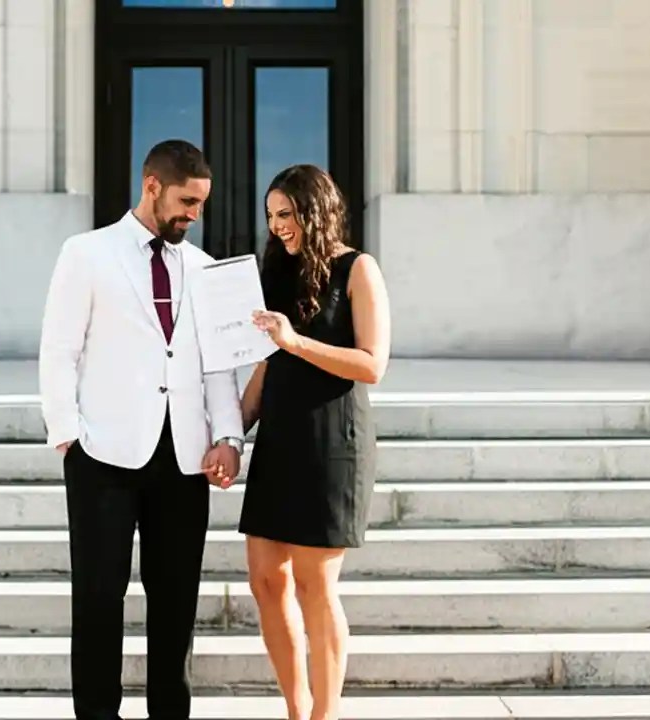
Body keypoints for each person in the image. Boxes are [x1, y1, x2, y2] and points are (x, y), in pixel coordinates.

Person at [38, 138, 245, 720]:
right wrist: (68, 436)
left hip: (183, 461)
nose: (194, 215)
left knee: (176, 603)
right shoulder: (87, 253)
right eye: (186, 201)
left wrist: (228, 437)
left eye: (201, 204)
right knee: (100, 599)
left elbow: (218, 366)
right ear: (151, 186)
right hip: (102, 454)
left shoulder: (205, 270)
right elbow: (58, 351)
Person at [239, 164, 391, 720]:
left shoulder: (358, 269)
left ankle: (323, 717)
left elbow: (373, 364)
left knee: (314, 586)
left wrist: (295, 341)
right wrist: (233, 431)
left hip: (332, 441)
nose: (278, 225)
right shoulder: (275, 273)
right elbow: (263, 366)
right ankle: (296, 708)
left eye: (288, 213)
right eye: (272, 215)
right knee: (264, 580)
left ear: (316, 209)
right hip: (278, 440)